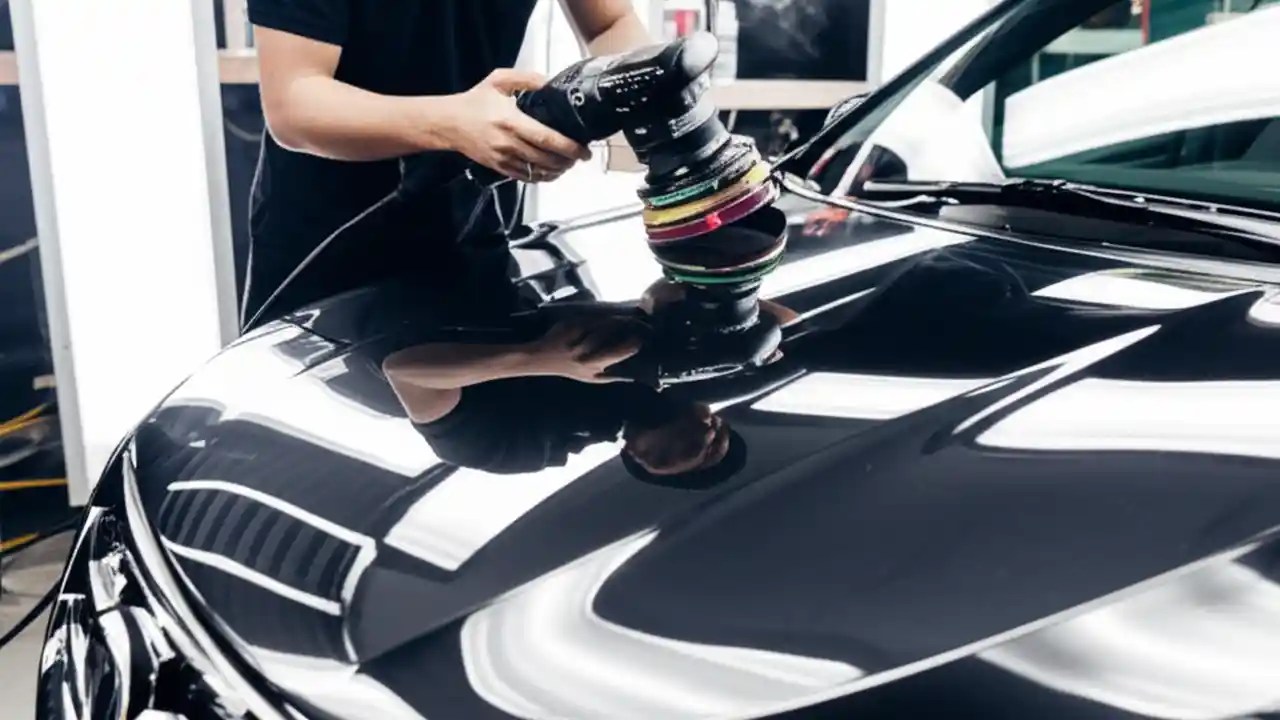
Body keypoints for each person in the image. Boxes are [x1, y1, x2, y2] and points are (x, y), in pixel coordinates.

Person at [241, 0, 653, 327]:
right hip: (327, 247)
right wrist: (452, 125)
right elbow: (295, 101)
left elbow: (609, 21)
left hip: (472, 223)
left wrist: (649, 93)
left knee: (479, 411)